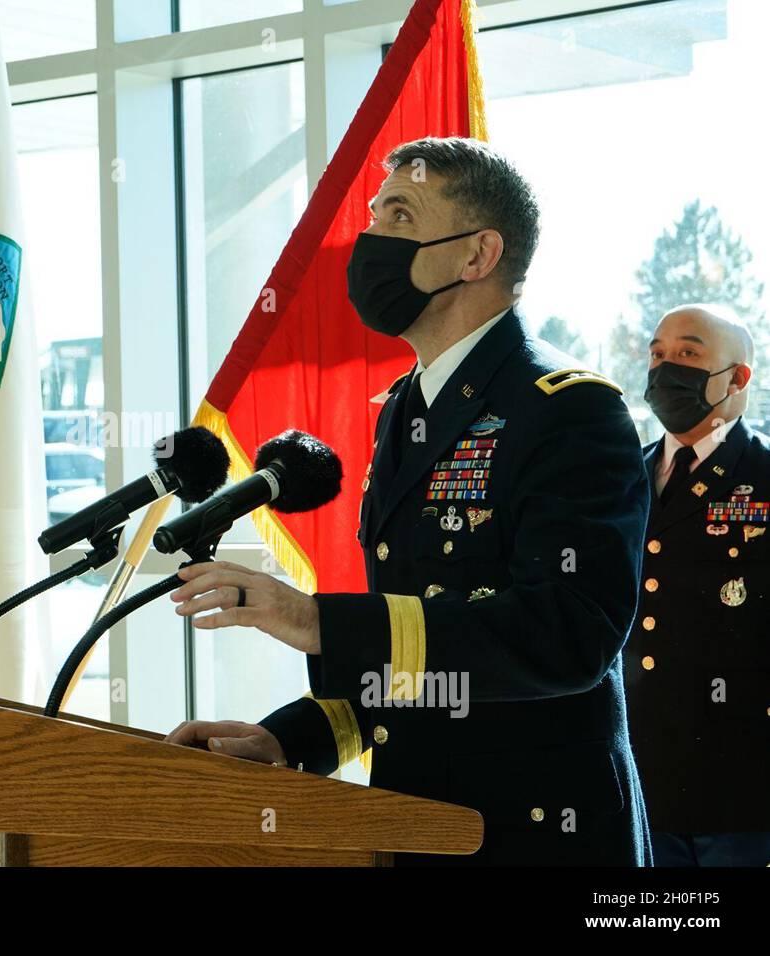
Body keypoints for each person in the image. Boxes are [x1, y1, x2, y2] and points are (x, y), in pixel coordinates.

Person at [165, 137, 652, 866]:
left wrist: (315, 620)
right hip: (417, 824)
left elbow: (567, 635)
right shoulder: (405, 409)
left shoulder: (568, 411)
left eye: (399, 215)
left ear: (477, 255)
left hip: (541, 834)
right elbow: (422, 663)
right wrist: (290, 740)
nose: (369, 242)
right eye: (373, 216)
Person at [628, 303, 770, 867]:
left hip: (740, 789)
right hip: (641, 780)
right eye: (658, 354)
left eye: (688, 354)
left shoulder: (761, 475)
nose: (667, 369)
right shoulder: (626, 478)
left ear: (738, 379)